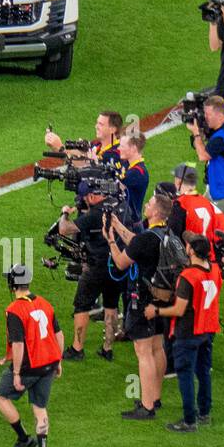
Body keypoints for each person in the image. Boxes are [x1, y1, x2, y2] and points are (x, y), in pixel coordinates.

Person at [106, 193, 180, 420]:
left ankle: (146, 406)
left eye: (149, 203)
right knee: (158, 346)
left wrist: (109, 239)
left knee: (143, 351)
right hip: (163, 298)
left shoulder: (145, 239)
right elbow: (137, 243)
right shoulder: (167, 233)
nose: (146, 204)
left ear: (156, 211)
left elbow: (120, 263)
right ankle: (154, 398)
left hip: (143, 300)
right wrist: (117, 226)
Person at [145, 235, 220, 432]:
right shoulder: (215, 269)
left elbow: (179, 310)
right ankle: (204, 413)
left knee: (185, 375)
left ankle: (189, 420)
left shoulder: (188, 276)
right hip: (208, 328)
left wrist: (157, 311)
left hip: (189, 331)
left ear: (192, 251)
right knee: (203, 372)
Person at [0, 264, 62, 447]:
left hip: (29, 366)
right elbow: (59, 334)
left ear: (13, 284)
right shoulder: (45, 304)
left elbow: (19, 344)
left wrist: (15, 372)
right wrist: (58, 361)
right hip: (49, 363)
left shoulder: (14, 310)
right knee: (40, 408)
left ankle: (24, 438)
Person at [59, 181, 122, 362]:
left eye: (85, 199)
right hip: (116, 264)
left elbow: (65, 229)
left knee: (82, 305)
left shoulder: (94, 214)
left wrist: (65, 213)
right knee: (111, 305)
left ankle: (77, 349)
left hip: (96, 266)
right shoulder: (116, 205)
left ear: (92, 196)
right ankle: (107, 349)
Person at [117, 130, 149, 218]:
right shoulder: (127, 164)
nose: (118, 148)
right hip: (123, 217)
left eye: (122, 146)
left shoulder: (138, 173)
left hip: (130, 223)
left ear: (133, 148)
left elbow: (113, 184)